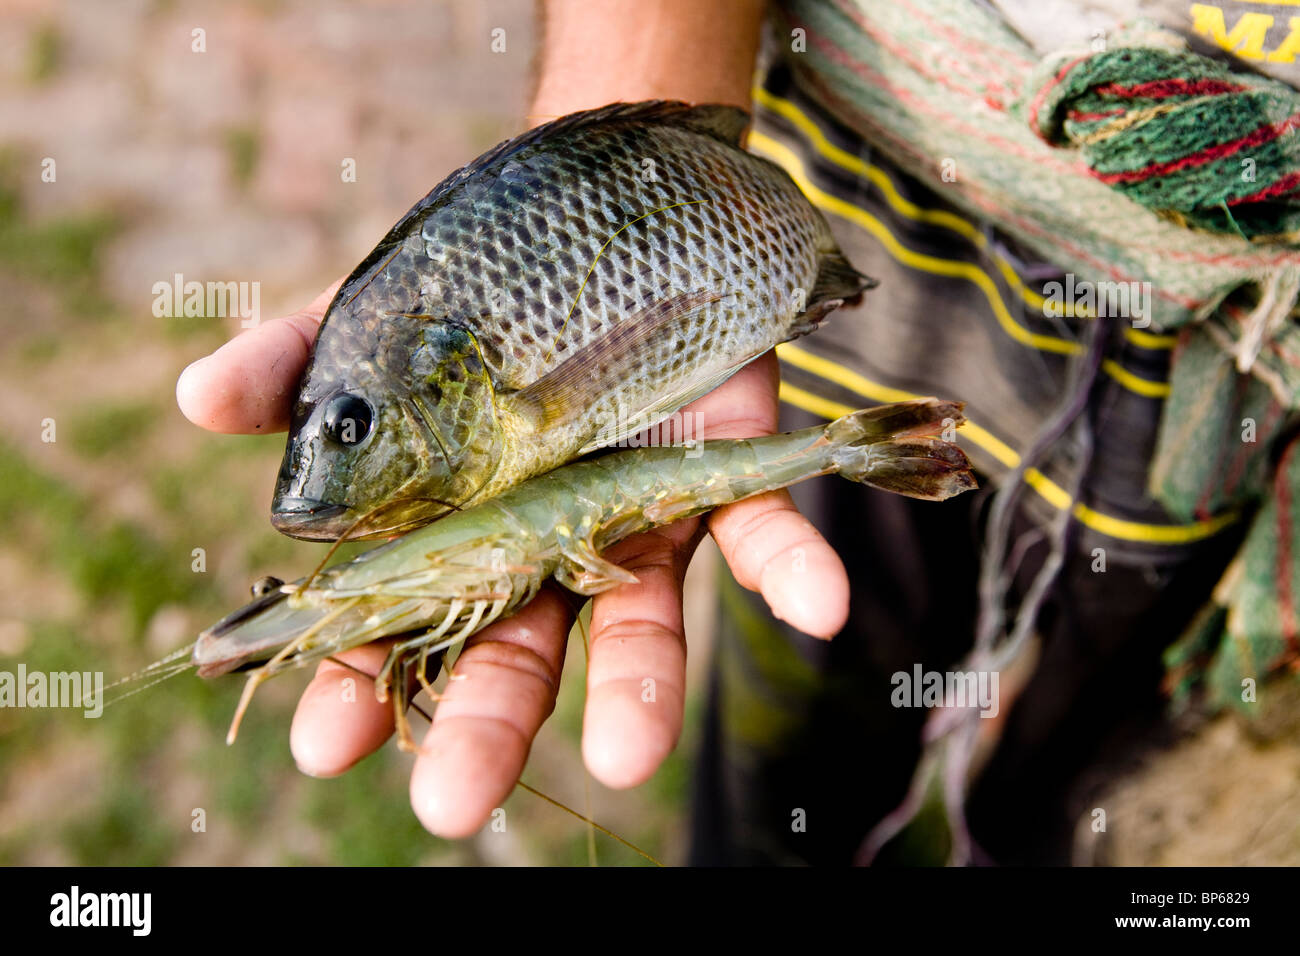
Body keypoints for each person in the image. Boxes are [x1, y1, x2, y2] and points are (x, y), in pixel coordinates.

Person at [177, 1, 1296, 864]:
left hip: (1233, 326)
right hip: (879, 153)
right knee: (808, 681)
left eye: (352, 422)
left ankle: (1029, 832)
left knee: (1094, 701)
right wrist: (648, 72)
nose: (323, 486)